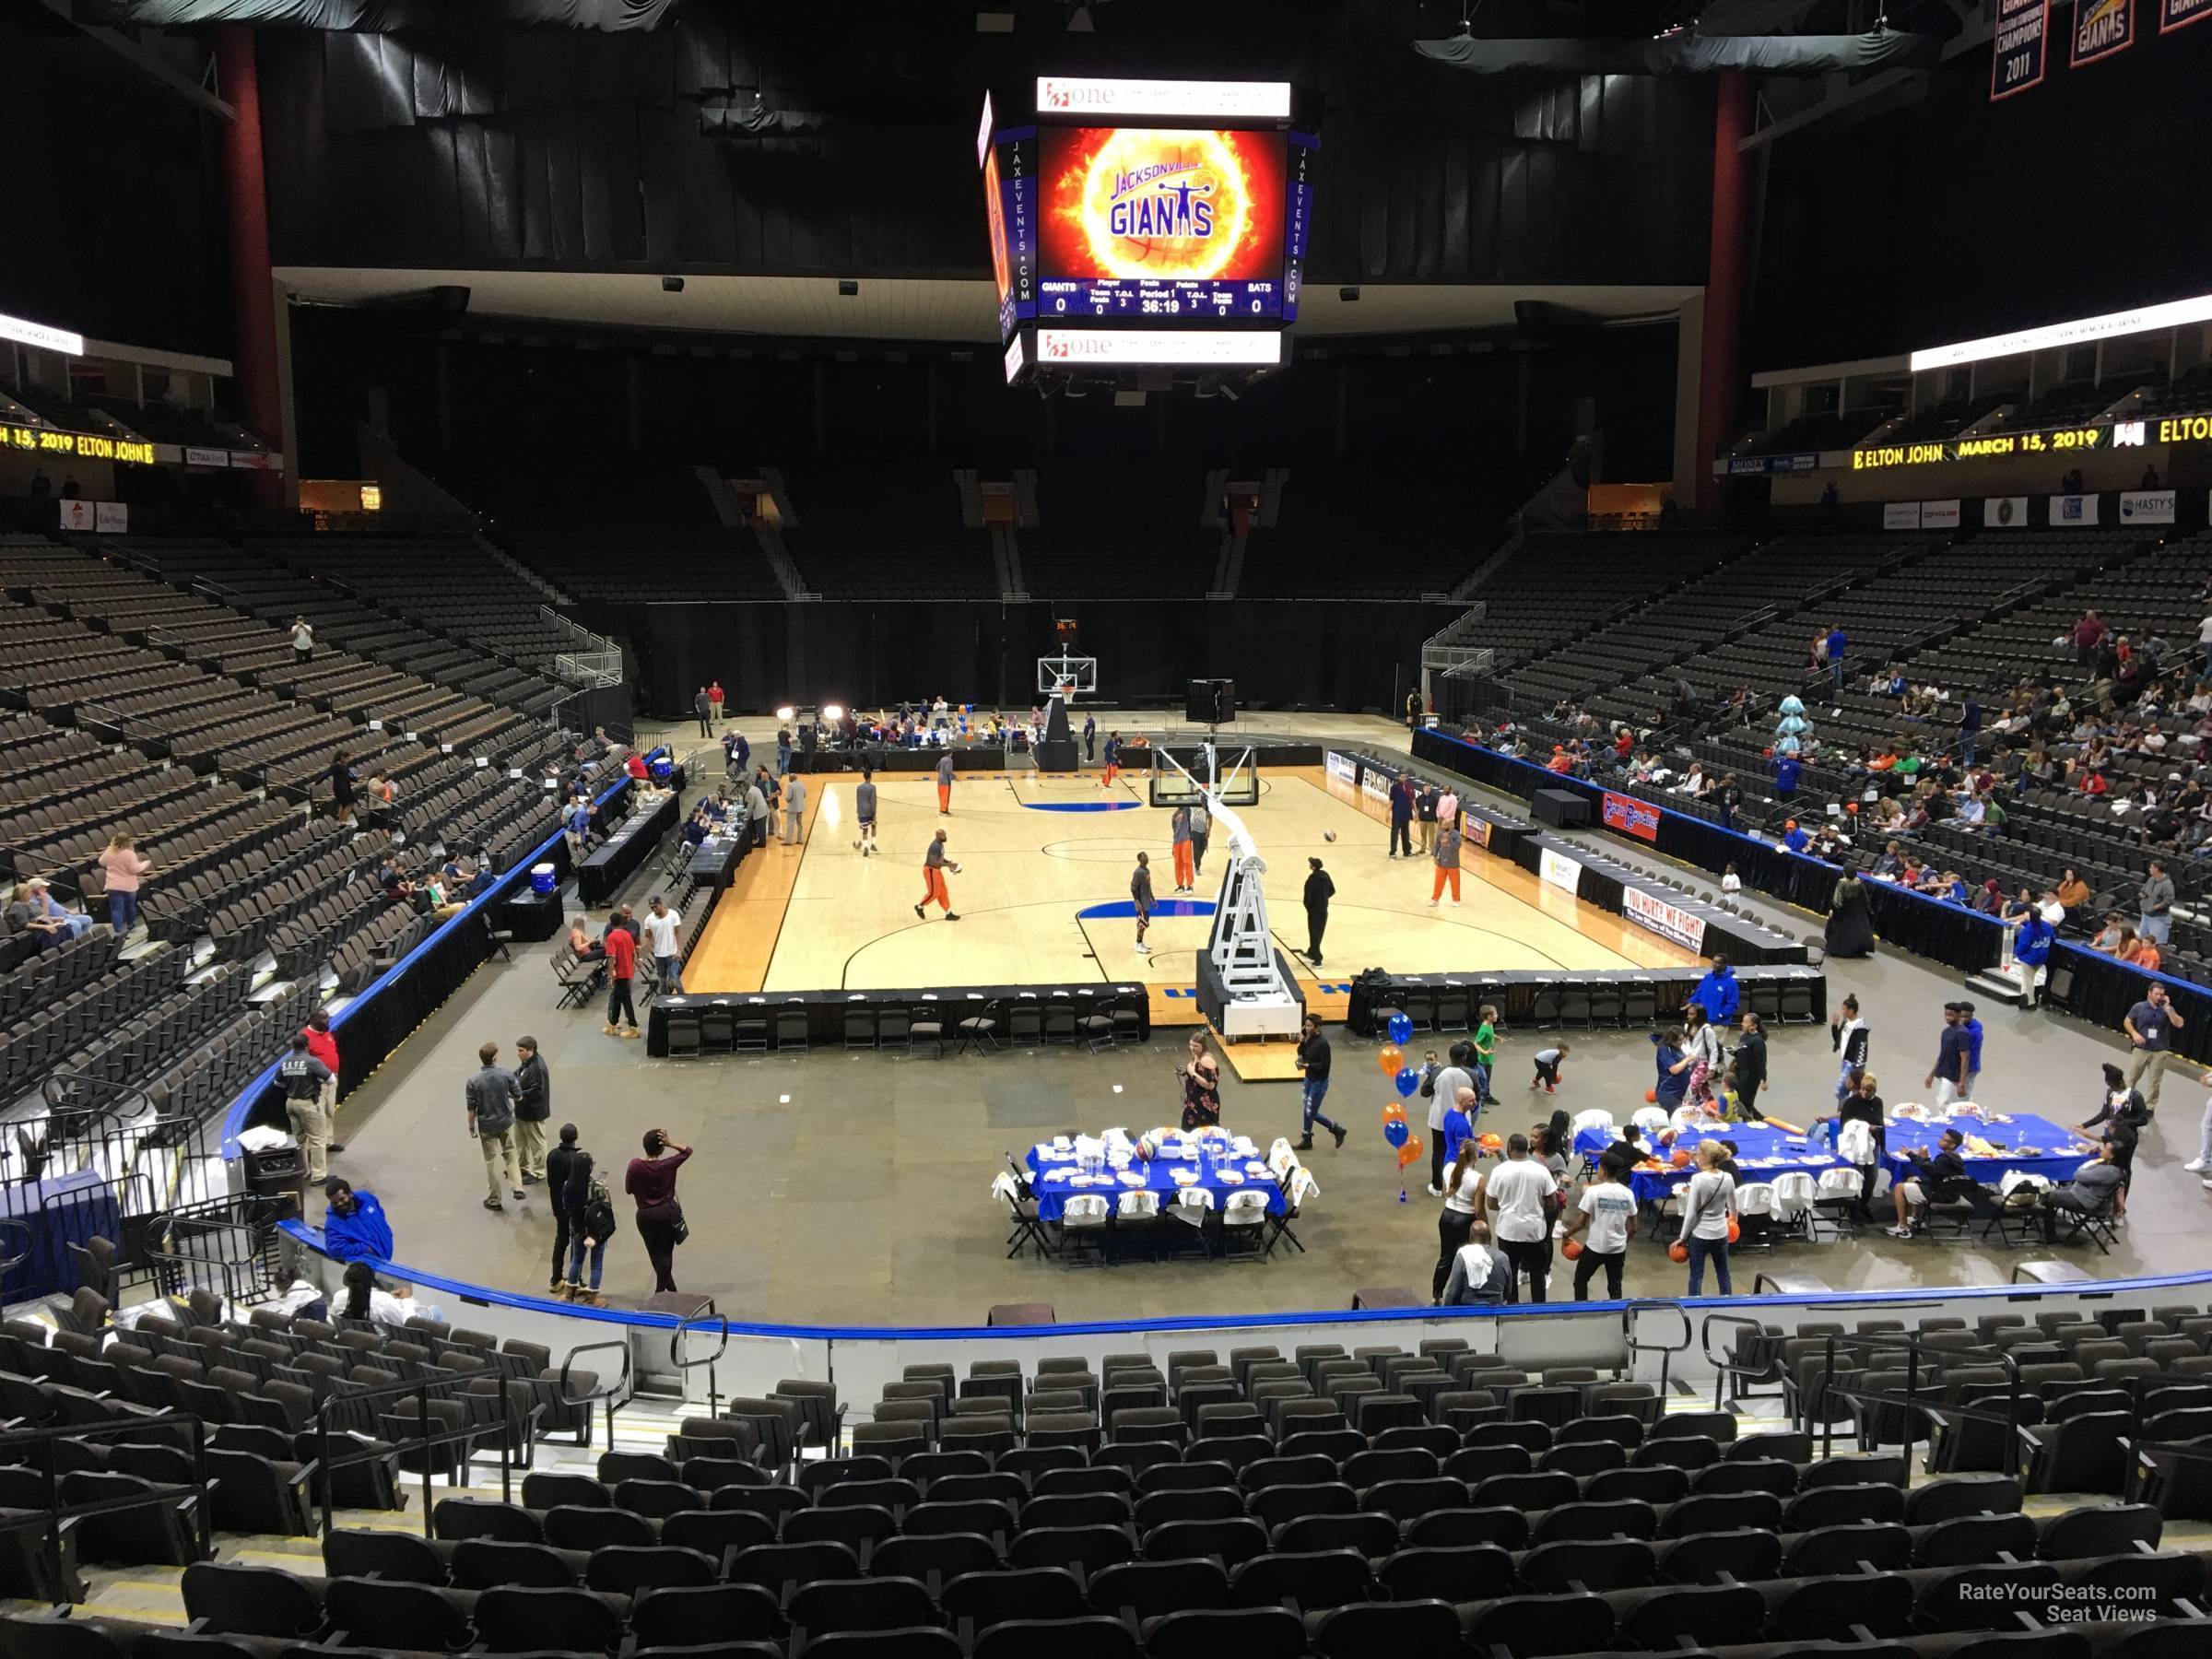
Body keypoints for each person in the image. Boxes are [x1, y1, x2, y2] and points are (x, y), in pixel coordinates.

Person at [1483, 1134, 1558, 1303]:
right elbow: (1552, 1203)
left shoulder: (1499, 1171)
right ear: (1526, 1150)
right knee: (1537, 1274)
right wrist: (1536, 1210)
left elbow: (1491, 1203)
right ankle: (1538, 1309)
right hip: (1534, 1232)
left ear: (1509, 1149)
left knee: (1509, 1272)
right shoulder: (1541, 1171)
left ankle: (1512, 1308)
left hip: (1508, 1231)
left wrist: (1508, 1207)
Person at [626, 1128, 692, 1294]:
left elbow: (628, 1189)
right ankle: (661, 1291)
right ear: (661, 1148)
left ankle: (669, 1290)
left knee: (654, 1254)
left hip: (644, 1215)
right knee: (664, 1253)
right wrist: (671, 1143)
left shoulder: (634, 1165)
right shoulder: (667, 1165)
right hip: (666, 1213)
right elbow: (687, 1151)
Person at [465, 1041, 525, 1211]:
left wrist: (472, 1128)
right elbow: (519, 1096)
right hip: (505, 1121)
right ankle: (517, 1186)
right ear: (494, 1058)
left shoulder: (473, 1081)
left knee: (491, 1161)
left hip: (486, 1125)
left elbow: (471, 1109)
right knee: (511, 1153)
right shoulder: (506, 1074)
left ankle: (494, 1199)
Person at [1565, 1161, 1637, 1300]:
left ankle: (1582, 1311)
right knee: (1615, 1287)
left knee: (1580, 1280)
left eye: (1598, 1168)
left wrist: (1566, 1234)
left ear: (1603, 1171)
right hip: (1617, 1249)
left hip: (1595, 1247)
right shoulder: (1628, 1194)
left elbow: (1581, 1223)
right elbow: (1633, 1227)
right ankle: (1617, 1315)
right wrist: (1622, 1242)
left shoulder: (1593, 1192)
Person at [2038, 1138, 2127, 1244]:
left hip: (2084, 1200)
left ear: (2112, 1156)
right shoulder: (2111, 1167)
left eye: (2106, 1150)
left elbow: (2078, 1175)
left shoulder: (2109, 1172)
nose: (2102, 1151)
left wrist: (2088, 1166)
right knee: (2055, 1192)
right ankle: (2047, 1218)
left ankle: (2050, 1236)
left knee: (2049, 1196)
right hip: (2081, 1191)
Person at [1888, 1127, 1972, 1238]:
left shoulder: (1944, 1159)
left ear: (1952, 1145)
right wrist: (1925, 1160)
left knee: (1899, 1188)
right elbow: (1936, 1173)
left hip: (1941, 1194)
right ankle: (1917, 1218)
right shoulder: (1956, 1157)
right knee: (1913, 1179)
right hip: (1950, 1191)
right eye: (1941, 1138)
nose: (1940, 1140)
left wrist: (1913, 1155)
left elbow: (1930, 1170)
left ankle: (1902, 1228)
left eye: (1944, 1140)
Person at [1432, 1137, 1488, 1300]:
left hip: (1447, 1216)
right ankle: (1462, 1294)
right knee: (1467, 1258)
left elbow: (1446, 1192)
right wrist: (1486, 1226)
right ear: (1475, 1157)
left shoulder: (1448, 1168)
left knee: (1446, 1257)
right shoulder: (1478, 1179)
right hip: (1466, 1220)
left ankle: (1436, 1294)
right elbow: (1479, 1209)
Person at [1679, 1141, 1736, 1294]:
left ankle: (1694, 1306)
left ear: (1705, 1157)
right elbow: (1733, 1207)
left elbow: (1691, 1213)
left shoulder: (1698, 1179)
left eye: (1699, 1153)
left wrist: (1682, 1237)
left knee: (1696, 1275)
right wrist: (1733, 1223)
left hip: (1700, 1234)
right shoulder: (1728, 1178)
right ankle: (1728, 1302)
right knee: (1723, 1273)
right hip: (1721, 1233)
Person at [277, 1033, 335, 1184]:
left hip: (290, 1103)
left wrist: (290, 1086)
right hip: (308, 1104)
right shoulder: (311, 1061)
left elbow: (277, 1082)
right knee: (317, 1139)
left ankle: (304, 1171)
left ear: (292, 1046)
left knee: (300, 1139)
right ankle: (319, 1175)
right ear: (307, 1045)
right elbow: (331, 1079)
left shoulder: (285, 1061)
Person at [1290, 1013, 1347, 1152]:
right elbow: (1301, 1052)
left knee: (1311, 1112)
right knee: (1307, 1109)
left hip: (1319, 1082)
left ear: (1317, 1027)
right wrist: (1303, 1041)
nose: (1307, 1028)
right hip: (1309, 1079)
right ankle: (1306, 1138)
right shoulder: (1308, 1039)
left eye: (1310, 1026)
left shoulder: (1323, 1044)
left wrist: (1309, 1066)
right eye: (1306, 1025)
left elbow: (1325, 1065)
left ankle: (1336, 1129)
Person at [2122, 984, 2183, 1113]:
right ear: (2149, 993)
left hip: (2159, 1052)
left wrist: (2167, 1008)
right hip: (2141, 1049)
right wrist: (2134, 1034)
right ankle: (2123, 1101)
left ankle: (2150, 1107)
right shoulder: (2139, 1007)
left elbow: (2179, 1023)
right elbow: (2127, 1021)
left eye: (2161, 994)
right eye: (2156, 994)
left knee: (2155, 1082)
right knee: (2131, 1078)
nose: (2159, 997)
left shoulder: (2167, 1009)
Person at [1425, 1042, 1475, 1194]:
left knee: (1438, 1152)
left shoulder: (1437, 1073)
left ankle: (1437, 1186)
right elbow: (1478, 1092)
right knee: (1461, 1149)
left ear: (1449, 1056)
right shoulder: (1471, 1074)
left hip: (1440, 1118)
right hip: (1461, 1118)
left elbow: (1424, 1091)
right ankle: (1458, 1183)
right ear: (1464, 1057)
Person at [546, 1123, 583, 1295]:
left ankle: (556, 1279)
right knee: (577, 1241)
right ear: (575, 1138)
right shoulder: (575, 1159)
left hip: (557, 1204)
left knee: (561, 1240)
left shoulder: (552, 1155)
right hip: (573, 1207)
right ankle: (576, 1279)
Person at [1439, 1219, 1511, 1306]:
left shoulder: (1463, 1256)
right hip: (1495, 1307)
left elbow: (1453, 1291)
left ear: (1470, 1238)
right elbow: (1508, 1290)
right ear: (1490, 1238)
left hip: (1468, 1310)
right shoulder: (1503, 1258)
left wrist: (1446, 1311)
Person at [322, 1179, 394, 1263]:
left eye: (342, 1199)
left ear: (350, 1194)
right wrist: (365, 1249)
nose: (339, 1204)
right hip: (370, 1265)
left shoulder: (366, 1198)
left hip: (386, 1253)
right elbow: (334, 1249)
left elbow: (379, 1211)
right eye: (334, 1202)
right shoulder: (333, 1223)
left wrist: (386, 1230)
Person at [512, 1036, 552, 1183]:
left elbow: (537, 1091)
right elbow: (517, 1073)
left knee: (537, 1142)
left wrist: (518, 1095)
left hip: (533, 1112)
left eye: (521, 1051)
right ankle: (523, 1166)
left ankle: (539, 1171)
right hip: (521, 1111)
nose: (518, 1053)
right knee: (521, 1141)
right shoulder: (526, 1063)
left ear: (531, 1050)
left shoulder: (537, 1068)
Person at [97, 832, 150, 935]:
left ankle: (118, 931)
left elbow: (101, 862)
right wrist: (145, 864)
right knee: (130, 906)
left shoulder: (109, 851)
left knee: (116, 909)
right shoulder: (129, 853)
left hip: (113, 885)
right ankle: (130, 924)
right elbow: (134, 869)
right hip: (129, 886)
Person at [1924, 1004, 1971, 1109]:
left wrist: (1962, 1082)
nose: (1948, 1017)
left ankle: (1947, 1123)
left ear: (1959, 1015)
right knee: (1945, 1102)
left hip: (1953, 1075)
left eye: (1951, 1015)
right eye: (1946, 1014)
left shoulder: (1962, 1034)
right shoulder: (1946, 1032)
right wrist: (1931, 1075)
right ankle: (1948, 1123)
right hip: (1943, 1072)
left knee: (1943, 1104)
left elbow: (1965, 1059)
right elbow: (1942, 1055)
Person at [602, 916, 641, 1039]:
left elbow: (611, 958)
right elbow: (633, 951)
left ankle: (633, 1027)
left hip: (619, 973)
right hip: (628, 971)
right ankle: (613, 1024)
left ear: (610, 923)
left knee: (625, 1000)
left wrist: (610, 975)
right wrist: (634, 964)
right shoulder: (627, 934)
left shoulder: (611, 937)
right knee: (618, 998)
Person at [1178, 1032, 1222, 1131]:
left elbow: (1211, 1085)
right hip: (1193, 1104)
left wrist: (1192, 1074)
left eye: (1196, 1046)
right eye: (1191, 1045)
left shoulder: (1206, 1060)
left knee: (1206, 1133)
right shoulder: (1196, 1055)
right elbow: (1197, 1074)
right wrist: (1186, 1073)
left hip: (1204, 1107)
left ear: (1203, 1046)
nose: (1192, 1048)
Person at [915, 829, 961, 922]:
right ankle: (919, 906)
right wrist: (948, 865)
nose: (945, 837)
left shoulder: (940, 845)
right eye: (943, 836)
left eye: (945, 835)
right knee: (934, 893)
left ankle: (948, 913)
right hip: (930, 870)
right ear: (938, 836)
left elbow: (940, 858)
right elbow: (933, 861)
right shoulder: (935, 846)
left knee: (943, 891)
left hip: (936, 871)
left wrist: (948, 862)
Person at [1831, 994, 1871, 1100]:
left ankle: (1849, 1109)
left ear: (1851, 1011)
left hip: (1853, 1064)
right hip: (1845, 1061)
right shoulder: (1846, 1022)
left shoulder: (1860, 1028)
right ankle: (1846, 1110)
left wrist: (1857, 1068)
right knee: (1849, 1090)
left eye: (1844, 1009)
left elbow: (1862, 1048)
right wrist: (1835, 1025)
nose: (1842, 1011)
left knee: (1839, 1092)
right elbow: (1838, 1040)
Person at [1826, 870, 1875, 957]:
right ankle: (1858, 949)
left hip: (1845, 909)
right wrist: (1867, 909)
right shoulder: (1859, 881)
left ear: (1845, 873)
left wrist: (1834, 912)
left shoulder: (1842, 882)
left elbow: (1837, 900)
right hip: (1857, 909)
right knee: (1857, 929)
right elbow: (1865, 897)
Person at [1733, 1012, 1769, 1124]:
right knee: (1741, 1101)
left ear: (1753, 1025)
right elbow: (1742, 1051)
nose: (1742, 1024)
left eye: (1745, 1022)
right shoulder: (1744, 1036)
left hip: (1751, 1076)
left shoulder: (1757, 1041)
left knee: (1746, 1102)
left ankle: (1753, 1121)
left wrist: (1763, 1079)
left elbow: (1761, 1062)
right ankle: (1760, 1118)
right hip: (1740, 1072)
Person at [1300, 857, 1333, 966]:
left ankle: (1318, 958)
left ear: (1313, 867)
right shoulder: (1326, 876)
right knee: (1318, 933)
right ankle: (1311, 952)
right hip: (1323, 910)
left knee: (1314, 934)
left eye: (1310, 863)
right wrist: (1323, 899)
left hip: (1314, 911)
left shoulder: (1311, 880)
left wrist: (1309, 907)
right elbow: (1332, 891)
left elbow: (1307, 898)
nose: (1309, 864)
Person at [1690, 956, 1739, 1026]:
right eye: (1714, 961)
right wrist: (1692, 1002)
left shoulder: (1730, 983)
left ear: (1725, 964)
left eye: (1718, 962)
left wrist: (1721, 1015)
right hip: (1702, 1020)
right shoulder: (1707, 977)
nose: (1714, 964)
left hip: (1718, 1024)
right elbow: (1699, 993)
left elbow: (1733, 1003)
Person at [1428, 820, 1463, 908]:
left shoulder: (1456, 834)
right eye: (1442, 824)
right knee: (1438, 882)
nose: (1443, 826)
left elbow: (1457, 847)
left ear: (1451, 825)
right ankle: (1435, 899)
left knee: (1455, 883)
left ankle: (1456, 900)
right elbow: (1437, 846)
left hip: (1453, 863)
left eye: (1445, 825)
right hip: (1441, 862)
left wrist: (1449, 839)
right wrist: (1435, 856)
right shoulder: (1440, 833)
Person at [2140, 859, 2175, 948]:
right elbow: (2143, 890)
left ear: (2156, 869)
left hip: (2158, 918)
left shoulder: (2167, 884)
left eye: (2151, 867)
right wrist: (2142, 895)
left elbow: (2169, 900)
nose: (2149, 869)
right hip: (2145, 915)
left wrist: (2155, 907)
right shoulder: (2151, 879)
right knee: (2144, 940)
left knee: (2156, 944)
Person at [1130, 851, 1155, 956]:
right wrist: (1136, 901)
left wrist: (1153, 898)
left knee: (1145, 924)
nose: (1146, 857)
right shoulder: (1138, 872)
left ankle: (1140, 942)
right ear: (1139, 859)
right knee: (1141, 924)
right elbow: (1133, 888)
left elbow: (1148, 886)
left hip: (1146, 901)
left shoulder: (1147, 871)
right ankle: (1138, 944)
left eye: (1147, 855)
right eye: (1144, 856)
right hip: (1141, 903)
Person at [1473, 1006, 1499, 1104]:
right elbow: (1476, 1043)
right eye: (1495, 1013)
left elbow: (1491, 1034)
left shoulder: (1490, 1025)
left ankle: (1486, 1096)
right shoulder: (1483, 1029)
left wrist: (1498, 1037)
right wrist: (1485, 1052)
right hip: (1483, 1060)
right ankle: (1479, 1100)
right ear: (1489, 1017)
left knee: (1487, 1079)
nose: (1497, 1015)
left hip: (1489, 1059)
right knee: (1482, 1081)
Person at [852, 767, 879, 857]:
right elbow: (873, 801)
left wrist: (858, 813)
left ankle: (866, 847)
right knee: (874, 826)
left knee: (865, 830)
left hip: (862, 811)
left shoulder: (859, 788)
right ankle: (873, 844)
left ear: (864, 777)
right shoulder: (872, 787)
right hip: (870, 811)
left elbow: (858, 800)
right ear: (870, 777)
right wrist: (874, 814)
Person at [1169, 804, 1195, 894]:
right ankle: (1180, 885)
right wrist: (1173, 845)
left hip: (1186, 840)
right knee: (1178, 864)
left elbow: (1191, 818)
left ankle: (1190, 885)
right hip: (1176, 841)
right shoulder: (1174, 815)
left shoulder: (1187, 810)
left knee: (1187, 862)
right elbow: (1174, 830)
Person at [1388, 773, 1415, 858]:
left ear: (1407, 778)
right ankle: (1393, 852)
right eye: (1402, 777)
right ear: (1399, 777)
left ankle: (1407, 851)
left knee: (1406, 833)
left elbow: (1413, 801)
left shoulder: (1410, 787)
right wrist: (1387, 812)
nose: (1403, 778)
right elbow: (1391, 801)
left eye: (1405, 777)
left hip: (1406, 814)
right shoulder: (1395, 787)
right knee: (1395, 833)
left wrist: (1416, 814)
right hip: (1397, 814)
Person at [1187, 798, 1212, 880]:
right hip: (1194, 831)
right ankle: (1197, 867)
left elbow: (1210, 818)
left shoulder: (1206, 807)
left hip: (1204, 831)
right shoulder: (1192, 806)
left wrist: (1208, 830)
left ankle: (1197, 861)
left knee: (1203, 849)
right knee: (1196, 849)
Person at [782, 771, 807, 846]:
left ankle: (788, 841)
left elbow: (789, 798)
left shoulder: (790, 785)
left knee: (790, 824)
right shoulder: (801, 784)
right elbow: (805, 795)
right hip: (800, 807)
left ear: (791, 779)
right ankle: (800, 839)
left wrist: (785, 797)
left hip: (792, 808)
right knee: (800, 824)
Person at [746, 773, 771, 848]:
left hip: (760, 811)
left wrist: (746, 815)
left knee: (760, 829)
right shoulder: (756, 788)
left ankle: (762, 844)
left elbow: (750, 805)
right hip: (764, 809)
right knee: (762, 828)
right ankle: (762, 842)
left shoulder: (751, 792)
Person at [1417, 781, 1441, 853]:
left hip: (1430, 820)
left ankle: (1433, 850)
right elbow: (1415, 805)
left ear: (1430, 790)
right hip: (1422, 819)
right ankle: (1422, 849)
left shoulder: (1434, 798)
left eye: (1429, 788)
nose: (1427, 790)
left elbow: (1437, 808)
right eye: (1426, 788)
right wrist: (1417, 814)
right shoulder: (1420, 798)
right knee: (1423, 835)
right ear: (1423, 789)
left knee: (1431, 836)